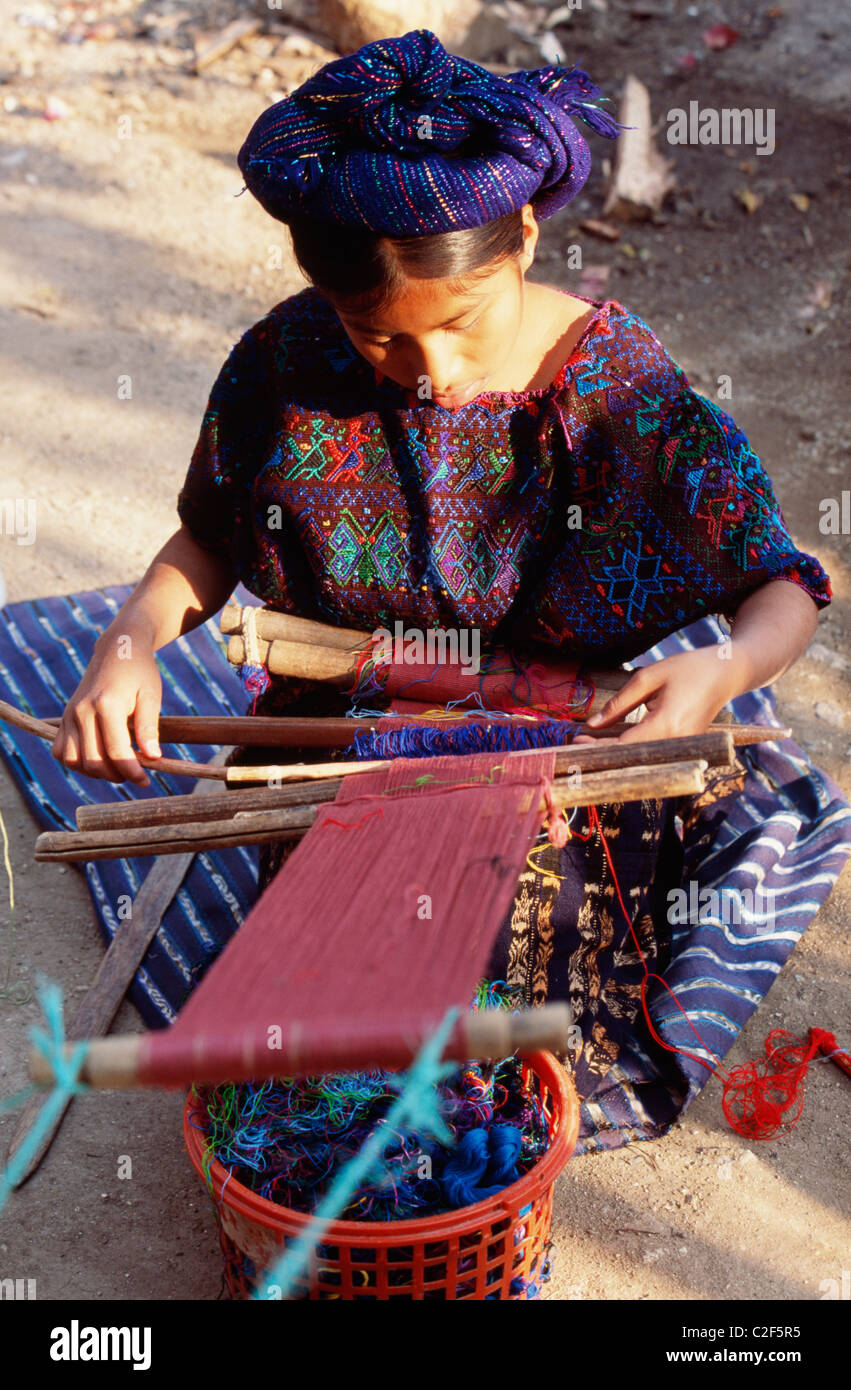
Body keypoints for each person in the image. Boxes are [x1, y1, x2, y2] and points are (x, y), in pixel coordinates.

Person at [50, 30, 832, 1115]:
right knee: (314, 1049)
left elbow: (781, 581)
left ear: (520, 234)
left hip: (550, 767)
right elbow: (208, 543)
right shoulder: (285, 364)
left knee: (485, 1051)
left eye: (458, 324)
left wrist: (723, 671)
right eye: (380, 341)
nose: (430, 375)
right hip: (335, 748)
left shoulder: (615, 391)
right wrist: (127, 647)